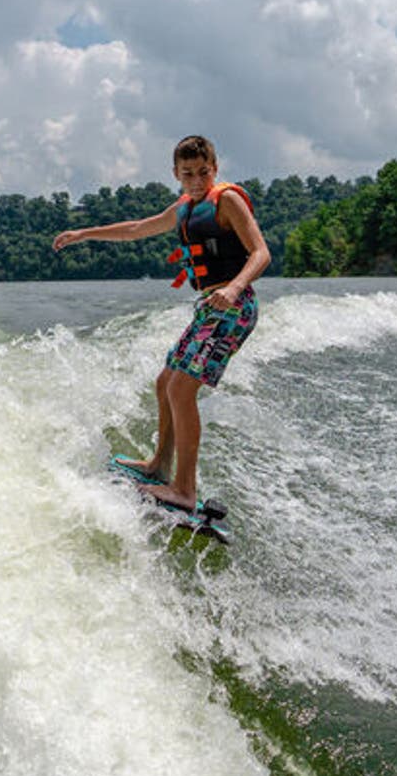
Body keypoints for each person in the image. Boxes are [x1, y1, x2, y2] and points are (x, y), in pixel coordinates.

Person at [52, 135, 271, 511]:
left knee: (182, 390)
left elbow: (261, 253)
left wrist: (235, 288)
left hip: (234, 306)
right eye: (188, 174)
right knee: (166, 381)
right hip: (209, 308)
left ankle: (184, 490)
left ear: (215, 170)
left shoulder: (227, 200)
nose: (197, 180)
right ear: (176, 174)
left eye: (204, 172)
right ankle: (158, 466)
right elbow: (137, 228)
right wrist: (84, 233)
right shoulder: (184, 207)